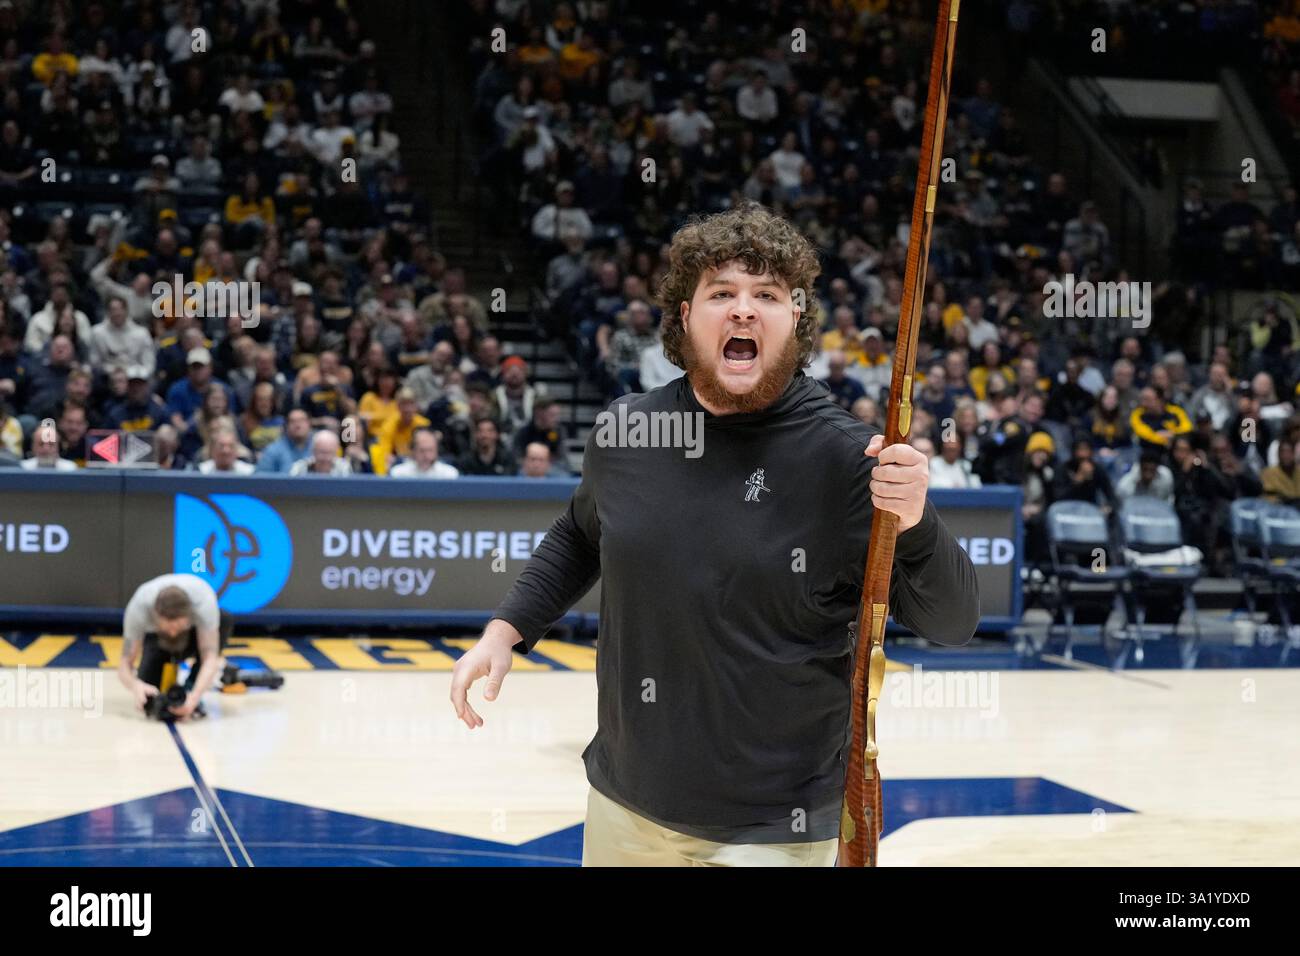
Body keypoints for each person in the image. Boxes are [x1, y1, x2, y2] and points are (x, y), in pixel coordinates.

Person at [449, 202, 978, 868]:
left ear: (797, 318)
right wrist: (505, 631)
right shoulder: (629, 430)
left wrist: (918, 523)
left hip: (772, 830)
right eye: (721, 293)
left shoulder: (850, 460)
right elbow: (583, 534)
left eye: (767, 295)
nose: (743, 310)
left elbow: (955, 622)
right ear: (682, 319)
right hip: (624, 805)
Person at [117, 573, 232, 720]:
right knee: (150, 702)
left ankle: (191, 685)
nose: (173, 633)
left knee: (225, 620)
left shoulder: (204, 603)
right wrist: (135, 686)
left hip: (194, 636)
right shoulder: (139, 608)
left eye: (177, 627)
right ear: (156, 616)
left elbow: (210, 657)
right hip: (157, 638)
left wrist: (195, 696)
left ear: (189, 617)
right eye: (168, 627)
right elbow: (124, 663)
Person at [390, 427, 459, 478]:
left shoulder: (449, 474)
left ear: (437, 450)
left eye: (430, 450)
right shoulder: (398, 474)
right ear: (413, 451)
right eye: (422, 450)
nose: (427, 456)